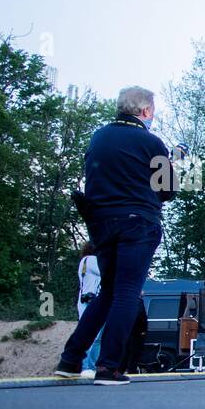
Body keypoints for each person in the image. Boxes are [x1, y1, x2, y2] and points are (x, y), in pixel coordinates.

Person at [55, 86, 175, 386]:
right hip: (137, 222)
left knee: (108, 290)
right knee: (126, 292)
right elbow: (167, 190)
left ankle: (70, 359)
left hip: (101, 224)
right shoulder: (151, 142)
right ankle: (108, 367)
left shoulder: (100, 137)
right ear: (145, 111)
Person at [75, 242, 103, 378]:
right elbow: (106, 272)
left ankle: (90, 367)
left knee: (96, 338)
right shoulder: (91, 260)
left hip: (89, 301)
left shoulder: (84, 261)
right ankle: (87, 366)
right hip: (91, 302)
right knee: (93, 337)